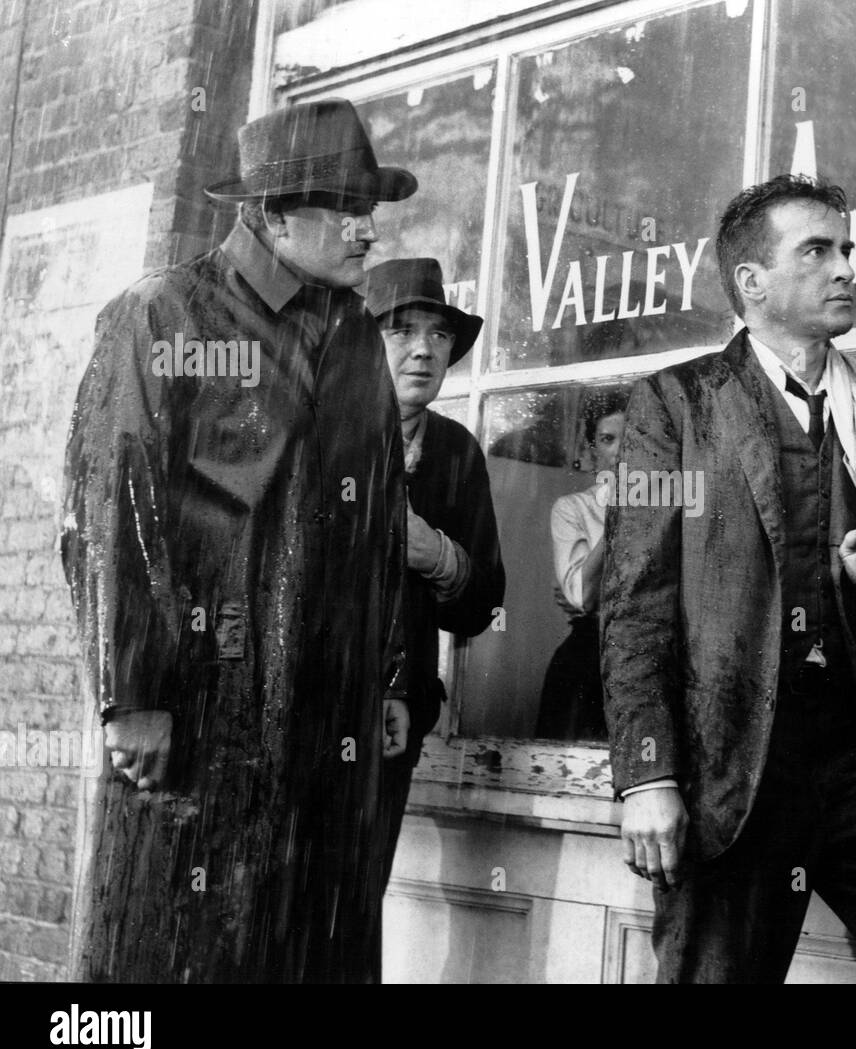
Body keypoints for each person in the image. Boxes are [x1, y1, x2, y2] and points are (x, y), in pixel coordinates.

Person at [62, 98, 415, 983]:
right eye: (343, 208)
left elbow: (377, 535)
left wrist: (388, 677)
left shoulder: (359, 344)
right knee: (176, 959)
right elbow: (109, 506)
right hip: (199, 724)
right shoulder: (164, 315)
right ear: (268, 214)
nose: (367, 232)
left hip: (325, 740)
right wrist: (130, 691)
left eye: (367, 209)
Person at [602, 174, 856, 983]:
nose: (845, 269)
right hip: (732, 776)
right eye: (818, 251)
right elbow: (634, 606)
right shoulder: (675, 405)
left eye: (847, 250)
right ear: (752, 283)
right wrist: (646, 775)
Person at [362, 257, 506, 885]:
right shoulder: (316, 437)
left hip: (396, 721)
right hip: (301, 711)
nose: (423, 351)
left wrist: (436, 556)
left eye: (439, 336)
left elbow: (482, 606)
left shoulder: (455, 451)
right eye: (401, 332)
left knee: (358, 902)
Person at [535, 394, 627, 741]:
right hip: (589, 655)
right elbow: (582, 596)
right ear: (593, 450)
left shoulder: (671, 502)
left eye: (630, 435)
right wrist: (621, 512)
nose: (620, 450)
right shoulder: (573, 508)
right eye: (607, 439)